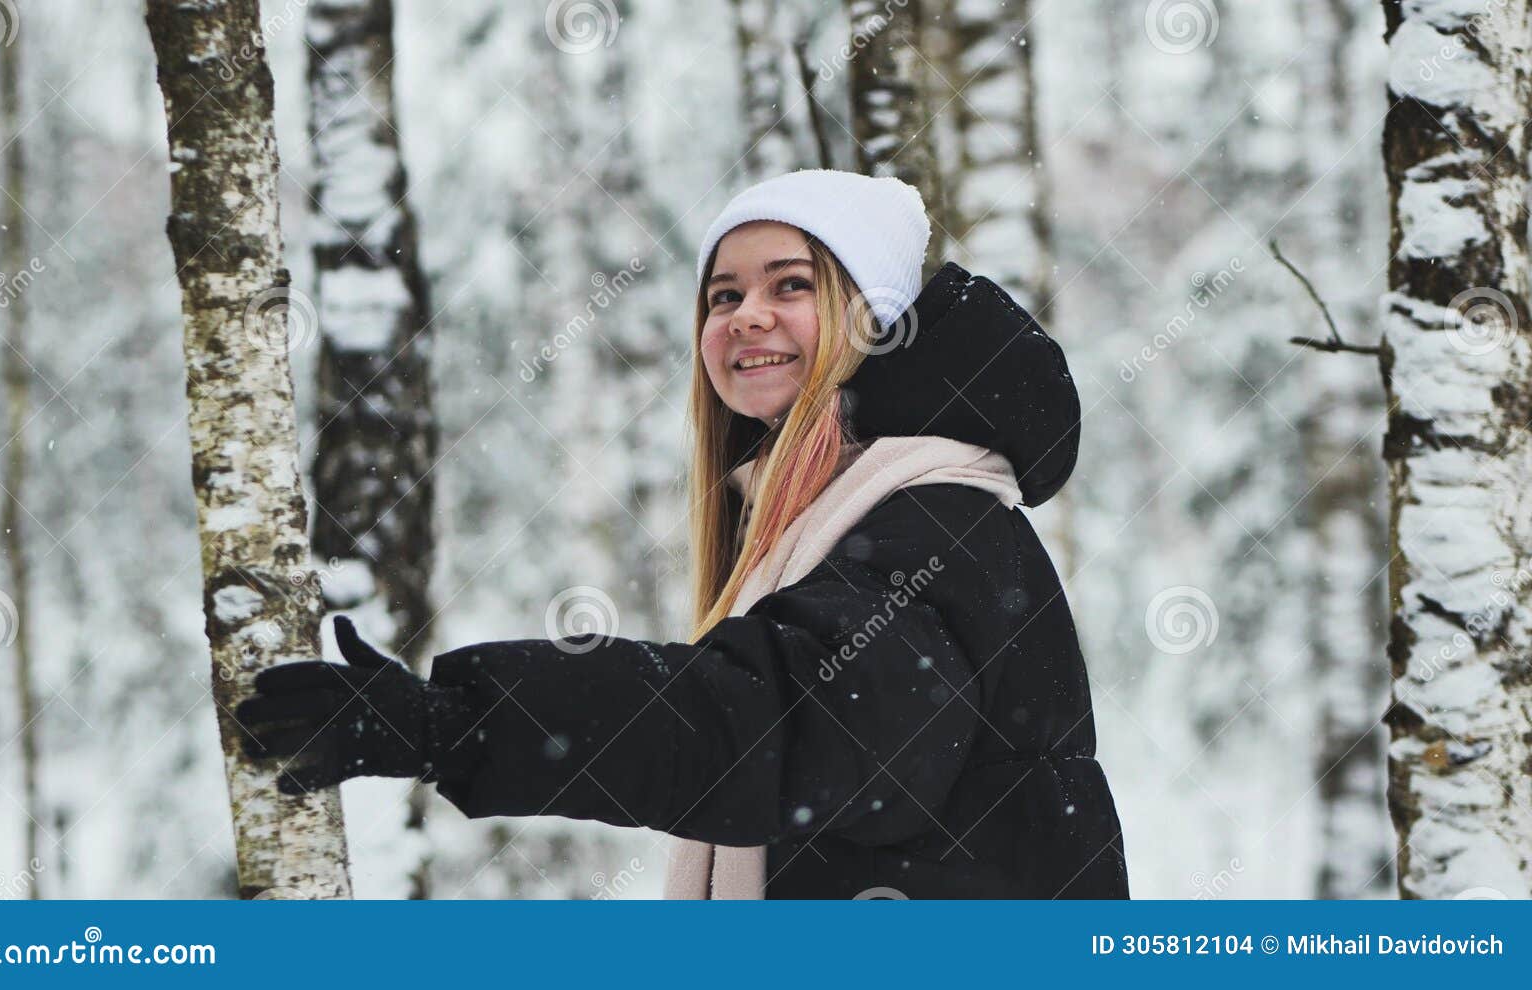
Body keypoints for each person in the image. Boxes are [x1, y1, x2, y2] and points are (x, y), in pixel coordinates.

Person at [236, 168, 1130, 899]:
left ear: (878, 325)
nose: (745, 315)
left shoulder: (938, 527)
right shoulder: (859, 521)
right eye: (722, 295)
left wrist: (456, 723)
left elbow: (765, 723)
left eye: (792, 285)